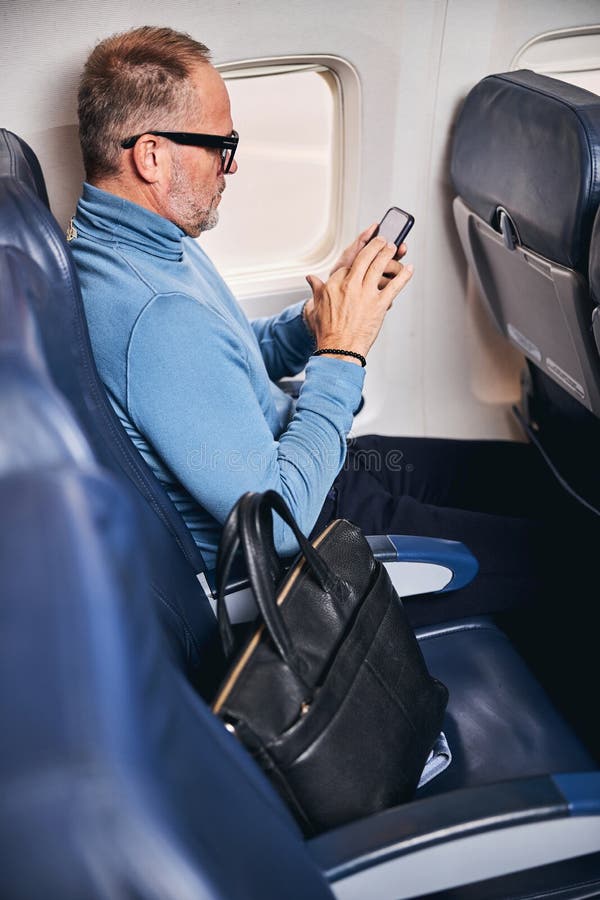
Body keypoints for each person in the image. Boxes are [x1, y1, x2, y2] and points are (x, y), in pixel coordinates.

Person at [70, 25, 570, 625]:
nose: (232, 165)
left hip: (321, 468)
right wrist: (343, 353)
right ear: (151, 155)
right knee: (562, 556)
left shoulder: (144, 248)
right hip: (318, 533)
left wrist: (314, 322)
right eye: (220, 145)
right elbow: (278, 522)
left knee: (534, 481)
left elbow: (225, 362)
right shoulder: (155, 313)